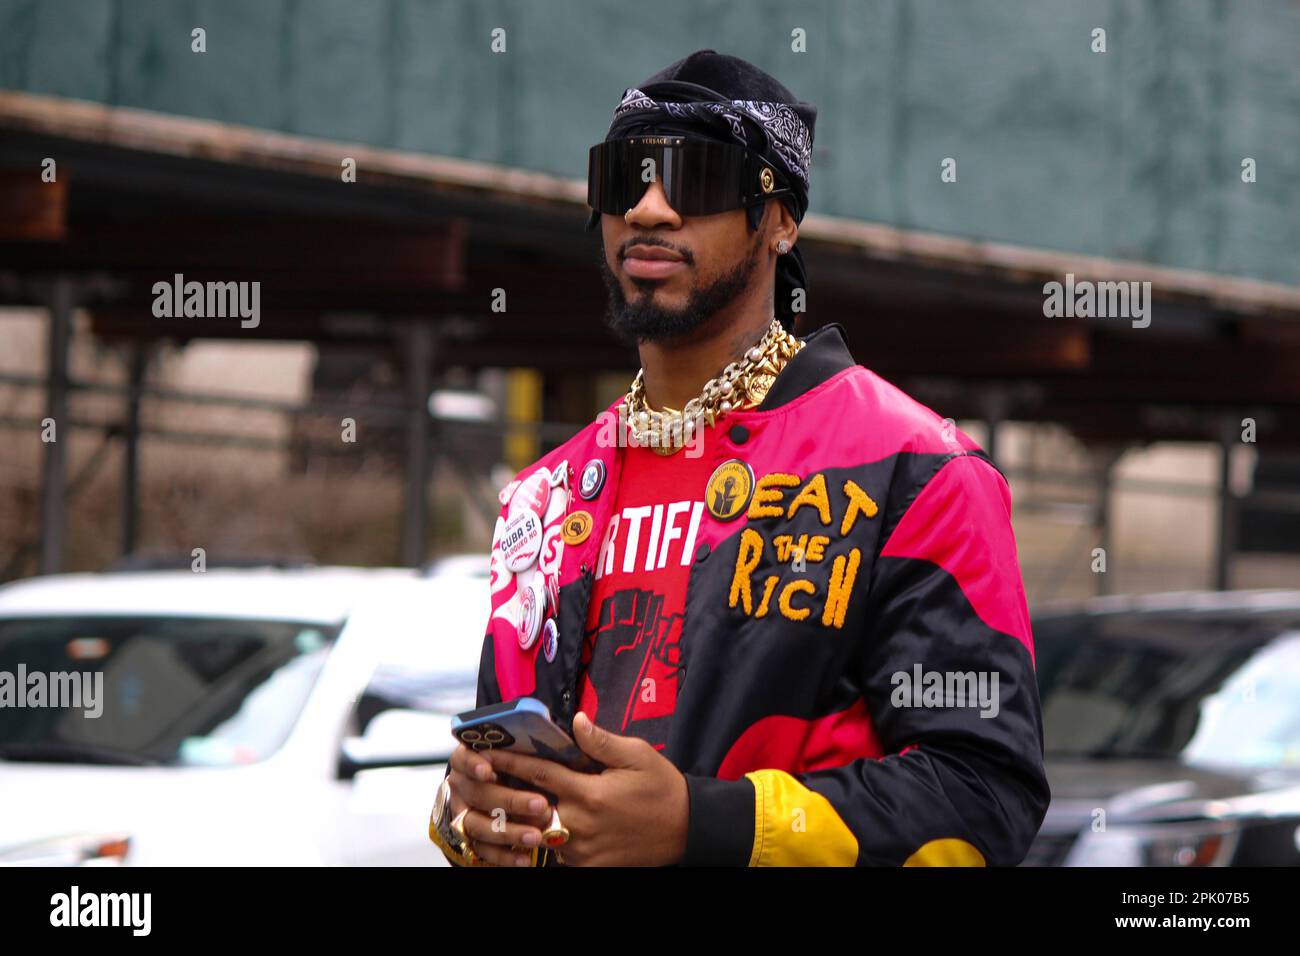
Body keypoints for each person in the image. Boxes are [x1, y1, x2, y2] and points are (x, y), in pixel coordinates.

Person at [429, 49, 1049, 867]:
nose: (649, 208)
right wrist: (467, 817)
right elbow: (504, 769)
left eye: (695, 178)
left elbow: (984, 796)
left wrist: (700, 824)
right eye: (624, 178)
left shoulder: (915, 468)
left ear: (781, 219)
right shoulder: (545, 497)